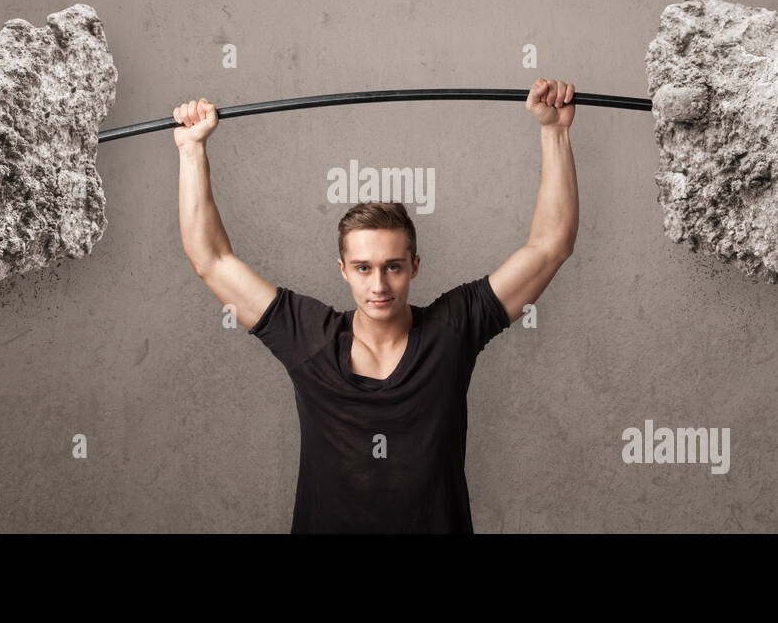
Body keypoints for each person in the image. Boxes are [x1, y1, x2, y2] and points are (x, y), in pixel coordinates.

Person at [174, 78, 578, 533]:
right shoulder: (308, 337)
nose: (379, 285)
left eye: (393, 267)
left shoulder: (452, 330)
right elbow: (211, 259)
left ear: (415, 266)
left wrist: (554, 132)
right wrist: (192, 150)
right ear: (343, 270)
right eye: (363, 268)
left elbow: (549, 246)